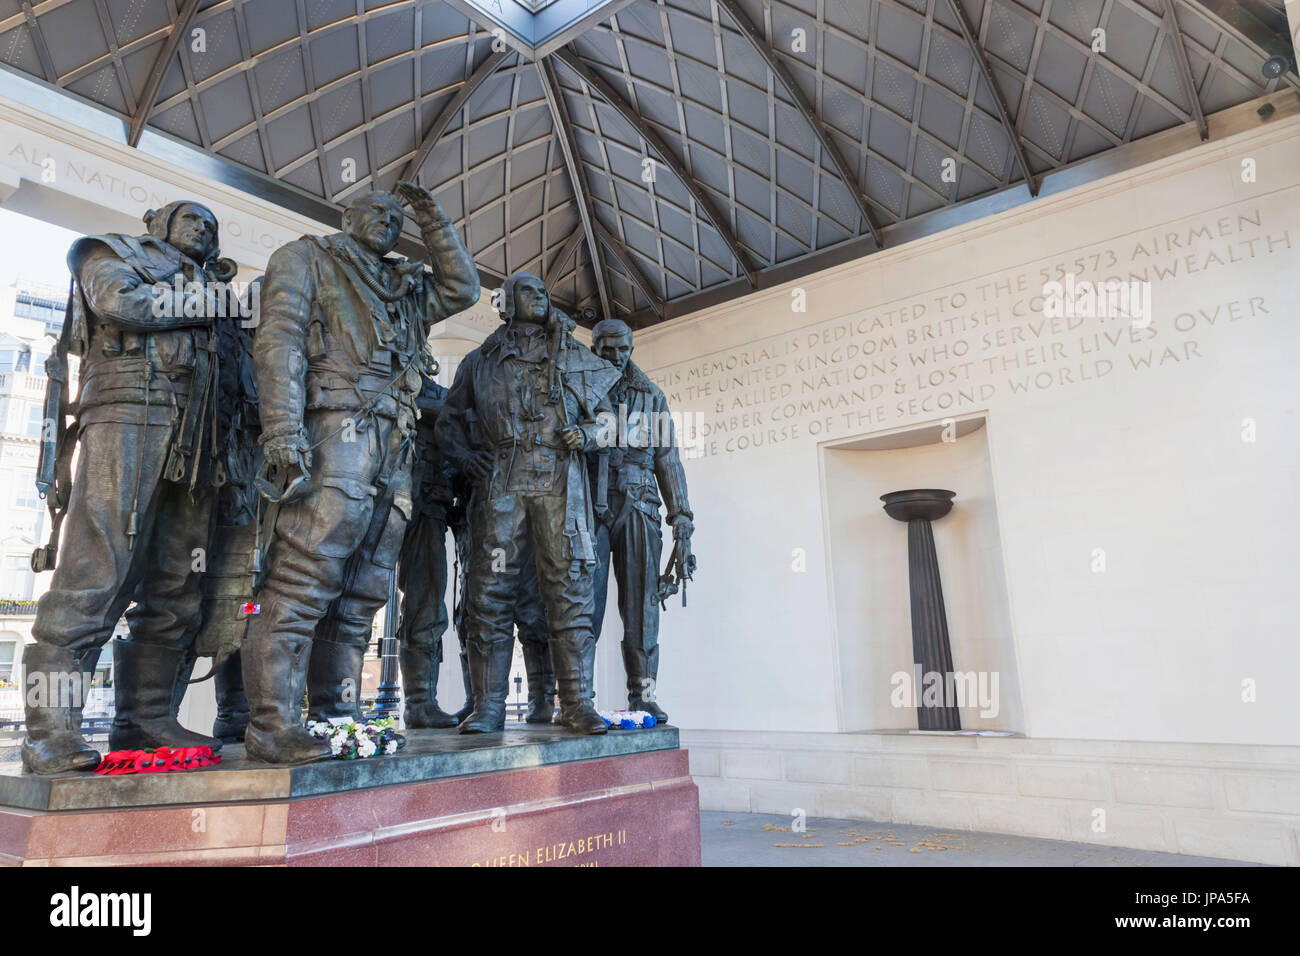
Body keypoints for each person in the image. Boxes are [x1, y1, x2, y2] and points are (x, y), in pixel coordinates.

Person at [242, 183, 479, 764]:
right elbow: (280, 343)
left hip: (394, 445)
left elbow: (463, 287)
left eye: (399, 220)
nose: (390, 223)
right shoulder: (307, 257)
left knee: (364, 590)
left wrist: (434, 218)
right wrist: (281, 431)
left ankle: (335, 716)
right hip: (333, 429)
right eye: (378, 212)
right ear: (346, 215)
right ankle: (271, 725)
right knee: (302, 577)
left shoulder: (405, 286)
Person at [22, 202, 236, 774]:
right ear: (158, 222)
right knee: (94, 571)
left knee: (178, 586)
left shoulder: (210, 283)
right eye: (193, 218)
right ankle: (48, 731)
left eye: (213, 225)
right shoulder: (111, 250)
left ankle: (144, 720)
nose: (205, 230)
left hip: (197, 435)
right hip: (126, 416)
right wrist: (212, 300)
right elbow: (121, 302)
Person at [434, 273, 619, 734]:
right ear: (507, 303)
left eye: (542, 291)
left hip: (561, 483)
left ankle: (577, 704)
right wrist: (470, 460)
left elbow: (611, 423)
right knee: (489, 593)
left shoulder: (574, 355)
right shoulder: (480, 362)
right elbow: (449, 424)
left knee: (570, 593)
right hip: (502, 486)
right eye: (528, 291)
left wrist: (589, 434)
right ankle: (489, 707)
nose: (539, 298)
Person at [589, 318, 694, 724]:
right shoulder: (580, 386)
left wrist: (681, 516)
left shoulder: (651, 397)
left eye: (621, 349)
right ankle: (578, 696)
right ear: (595, 347)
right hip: (592, 504)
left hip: (639, 505)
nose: (614, 356)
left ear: (631, 349)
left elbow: (668, 460)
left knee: (642, 606)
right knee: (584, 603)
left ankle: (643, 694)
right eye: (606, 348)